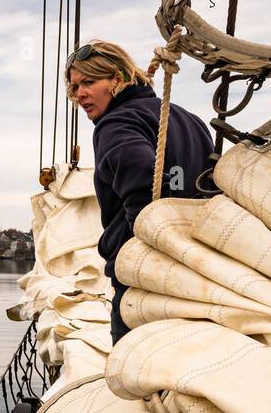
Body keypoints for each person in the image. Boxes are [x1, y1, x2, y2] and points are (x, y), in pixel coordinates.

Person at [67, 40, 214, 344]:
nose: (80, 94)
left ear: (117, 79)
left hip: (144, 278)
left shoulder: (116, 123)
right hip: (200, 270)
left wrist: (146, 253)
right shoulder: (188, 120)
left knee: (137, 376)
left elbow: (142, 181)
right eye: (75, 87)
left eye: (89, 82)